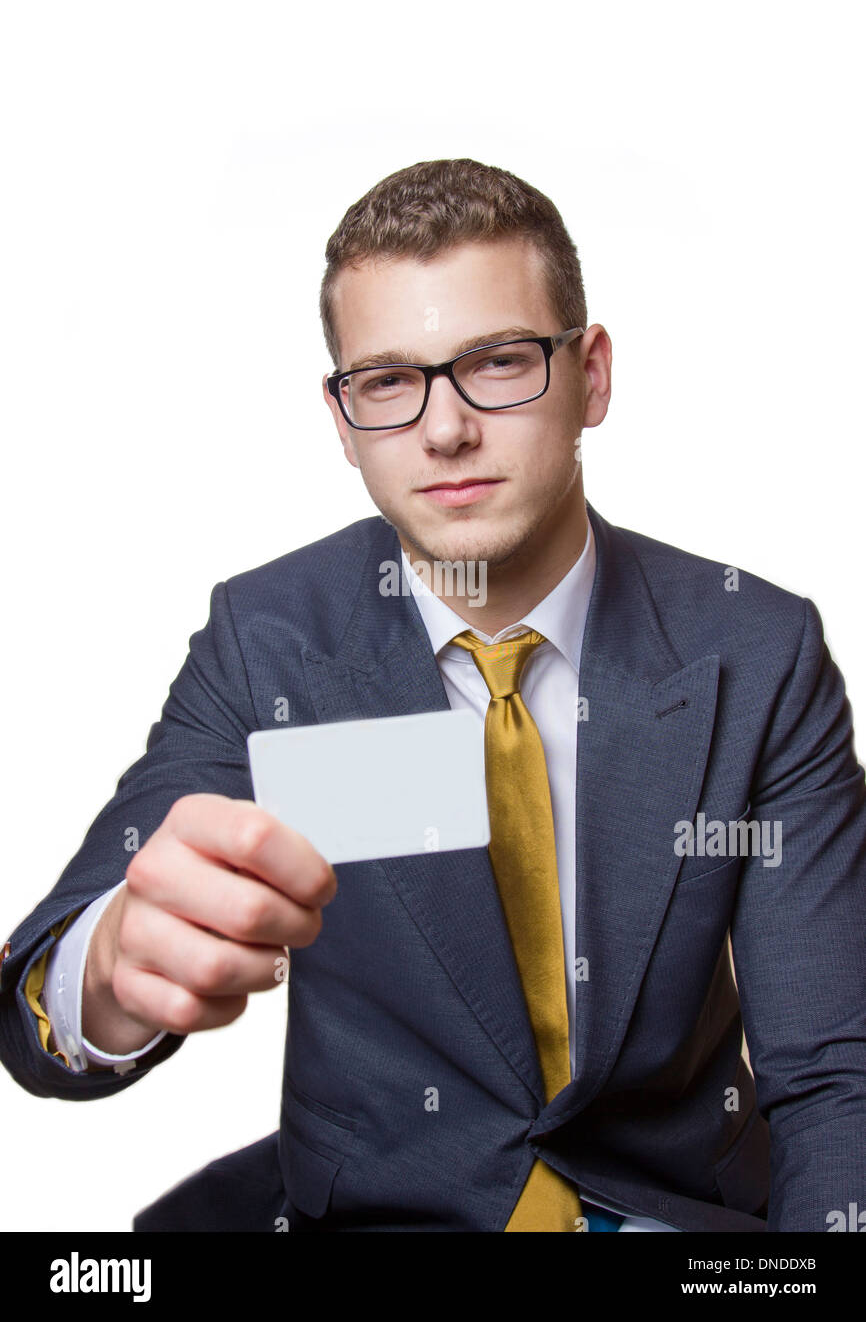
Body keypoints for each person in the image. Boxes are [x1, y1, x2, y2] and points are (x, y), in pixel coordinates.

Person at [1, 158, 864, 1233]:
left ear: (590, 374)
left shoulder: (755, 651)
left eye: (497, 363)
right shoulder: (270, 641)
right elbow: (41, 993)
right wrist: (113, 973)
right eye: (388, 381)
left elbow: (832, 1071)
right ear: (342, 414)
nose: (444, 430)